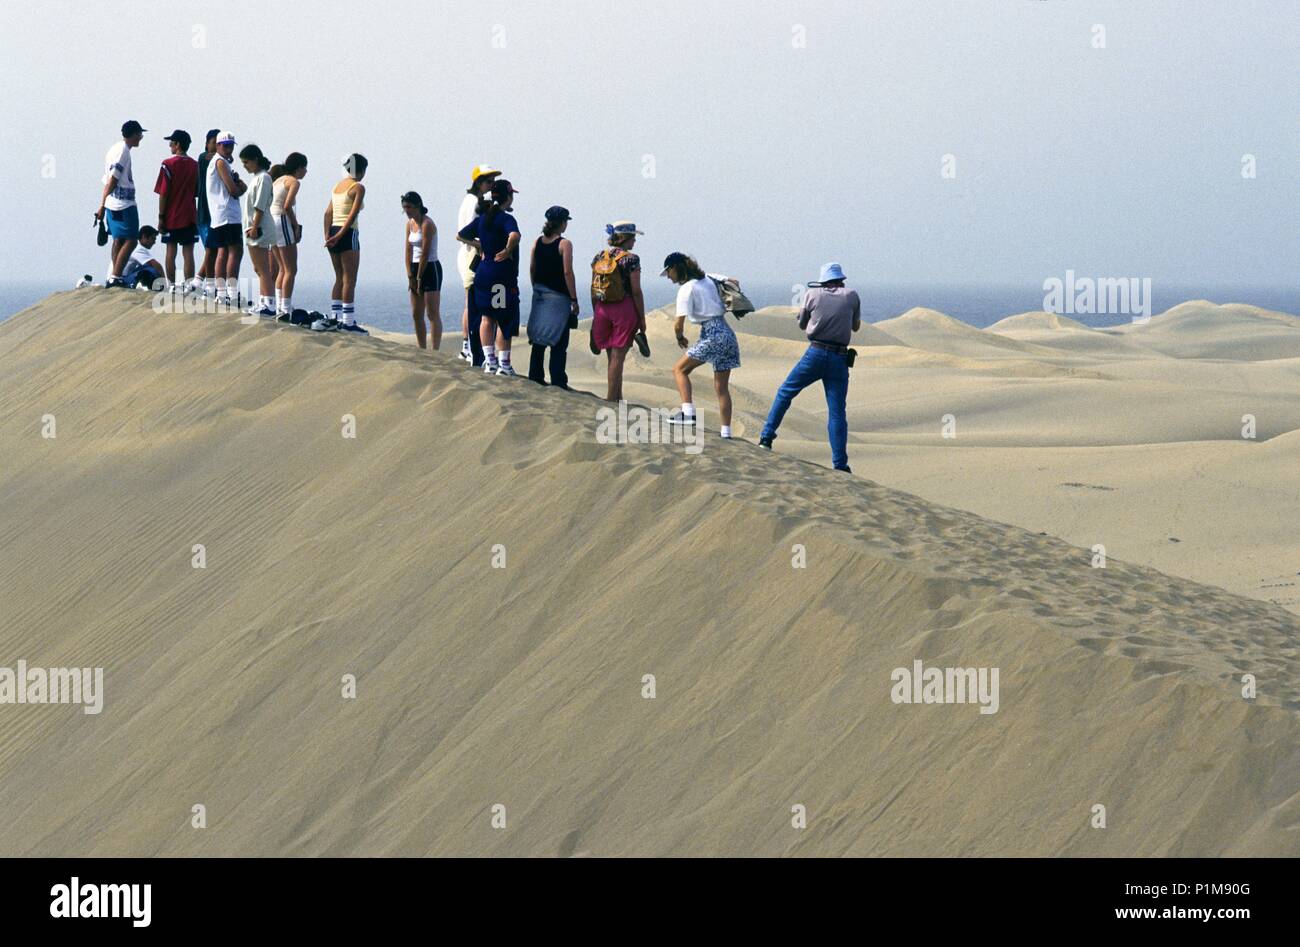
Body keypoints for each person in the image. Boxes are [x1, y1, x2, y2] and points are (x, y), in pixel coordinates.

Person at [758, 262, 862, 472]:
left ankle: (766, 438)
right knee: (837, 413)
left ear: (822, 280)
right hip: (839, 358)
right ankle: (840, 465)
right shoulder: (851, 295)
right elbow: (856, 326)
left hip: (815, 353)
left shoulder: (812, 294)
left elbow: (802, 324)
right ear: (841, 280)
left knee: (785, 392)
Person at [661, 253, 741, 437]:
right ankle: (726, 432)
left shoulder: (686, 289)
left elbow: (678, 323)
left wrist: (679, 337)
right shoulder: (709, 278)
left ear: (675, 268)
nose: (669, 277)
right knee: (721, 387)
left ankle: (688, 414)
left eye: (668, 272)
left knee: (679, 370)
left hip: (712, 333)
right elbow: (734, 281)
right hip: (727, 333)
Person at [457, 179, 521, 375]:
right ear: (507, 197)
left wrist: (481, 246)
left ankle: (489, 361)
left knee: (487, 317)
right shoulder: (504, 218)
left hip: (483, 273)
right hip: (499, 276)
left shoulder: (483, 218)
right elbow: (515, 236)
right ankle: (503, 364)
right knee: (503, 318)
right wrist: (507, 249)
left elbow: (461, 235)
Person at [589, 221, 646, 402]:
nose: (634, 242)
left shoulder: (599, 256)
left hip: (602, 308)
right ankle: (612, 399)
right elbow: (636, 291)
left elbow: (594, 288)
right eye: (633, 238)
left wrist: (596, 311)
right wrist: (641, 318)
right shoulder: (631, 259)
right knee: (618, 357)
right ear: (625, 238)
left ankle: (617, 396)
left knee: (610, 356)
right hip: (624, 308)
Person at [526, 206, 578, 388]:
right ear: (562, 223)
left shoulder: (537, 242)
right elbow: (567, 272)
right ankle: (558, 380)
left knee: (539, 338)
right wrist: (574, 299)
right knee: (559, 340)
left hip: (540, 294)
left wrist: (536, 287)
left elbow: (532, 268)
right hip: (558, 297)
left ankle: (535, 375)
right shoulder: (565, 244)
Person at [316, 153, 368, 333]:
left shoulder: (337, 187)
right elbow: (353, 214)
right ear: (361, 170)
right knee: (349, 279)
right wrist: (341, 235)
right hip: (347, 233)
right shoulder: (358, 187)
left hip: (332, 231)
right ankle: (348, 322)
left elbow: (327, 213)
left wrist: (327, 235)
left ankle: (335, 317)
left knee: (339, 277)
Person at [456, 165, 500, 363]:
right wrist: (483, 244)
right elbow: (464, 233)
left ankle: (467, 347)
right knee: (472, 304)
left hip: (467, 256)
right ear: (479, 182)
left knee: (470, 303)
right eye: (489, 181)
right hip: (471, 257)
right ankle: (468, 347)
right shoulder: (474, 201)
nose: (491, 185)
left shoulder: (470, 199)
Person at [95, 120, 145, 288]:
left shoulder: (115, 148)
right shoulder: (123, 152)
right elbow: (114, 179)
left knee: (118, 239)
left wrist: (104, 203)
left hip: (112, 203)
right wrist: (101, 204)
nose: (141, 137)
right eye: (139, 134)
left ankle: (114, 275)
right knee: (131, 240)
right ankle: (116, 275)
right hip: (123, 203)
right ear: (133, 135)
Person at [205, 131, 246, 305]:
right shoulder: (220, 162)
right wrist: (240, 184)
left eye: (231, 146)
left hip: (219, 214)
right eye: (225, 145)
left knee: (222, 251)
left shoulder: (217, 162)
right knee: (235, 251)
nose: (229, 149)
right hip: (228, 213)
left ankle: (222, 293)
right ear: (218, 145)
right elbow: (234, 190)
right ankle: (231, 292)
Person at [153, 129, 198, 288]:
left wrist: (161, 216)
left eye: (171, 142)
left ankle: (171, 285)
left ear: (178, 144)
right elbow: (197, 190)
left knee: (171, 252)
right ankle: (189, 285)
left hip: (172, 215)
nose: (170, 145)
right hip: (190, 214)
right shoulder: (195, 165)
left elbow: (163, 192)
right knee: (188, 252)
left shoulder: (168, 164)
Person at [239, 144, 278, 316]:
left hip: (259, 227)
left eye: (246, 162)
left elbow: (260, 205)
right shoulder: (256, 178)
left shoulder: (264, 178)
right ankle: (264, 302)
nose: (245, 166)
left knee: (263, 269)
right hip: (253, 226)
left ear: (255, 159)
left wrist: (255, 227)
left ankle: (268, 305)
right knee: (259, 268)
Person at [402, 191, 442, 350]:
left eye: (410, 207)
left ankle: (435, 350)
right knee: (416, 314)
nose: (407, 211)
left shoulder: (427, 224)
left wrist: (419, 279)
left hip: (430, 268)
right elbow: (407, 251)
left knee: (432, 313)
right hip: (415, 267)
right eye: (404, 208)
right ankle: (422, 348)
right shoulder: (409, 224)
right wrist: (410, 275)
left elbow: (425, 253)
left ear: (418, 206)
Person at [270, 151, 306, 317]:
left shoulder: (278, 180)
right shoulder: (293, 182)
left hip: (270, 221)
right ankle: (285, 307)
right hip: (281, 220)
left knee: (282, 269)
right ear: (298, 168)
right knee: (291, 268)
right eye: (305, 168)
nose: (306, 172)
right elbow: (287, 205)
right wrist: (295, 225)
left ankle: (279, 305)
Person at [193, 129, 220, 295]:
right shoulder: (204, 158)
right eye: (215, 143)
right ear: (207, 144)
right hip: (205, 213)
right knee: (211, 248)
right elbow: (210, 157)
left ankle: (198, 280)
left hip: (218, 213)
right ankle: (209, 285)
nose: (218, 147)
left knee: (215, 249)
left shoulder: (222, 163)